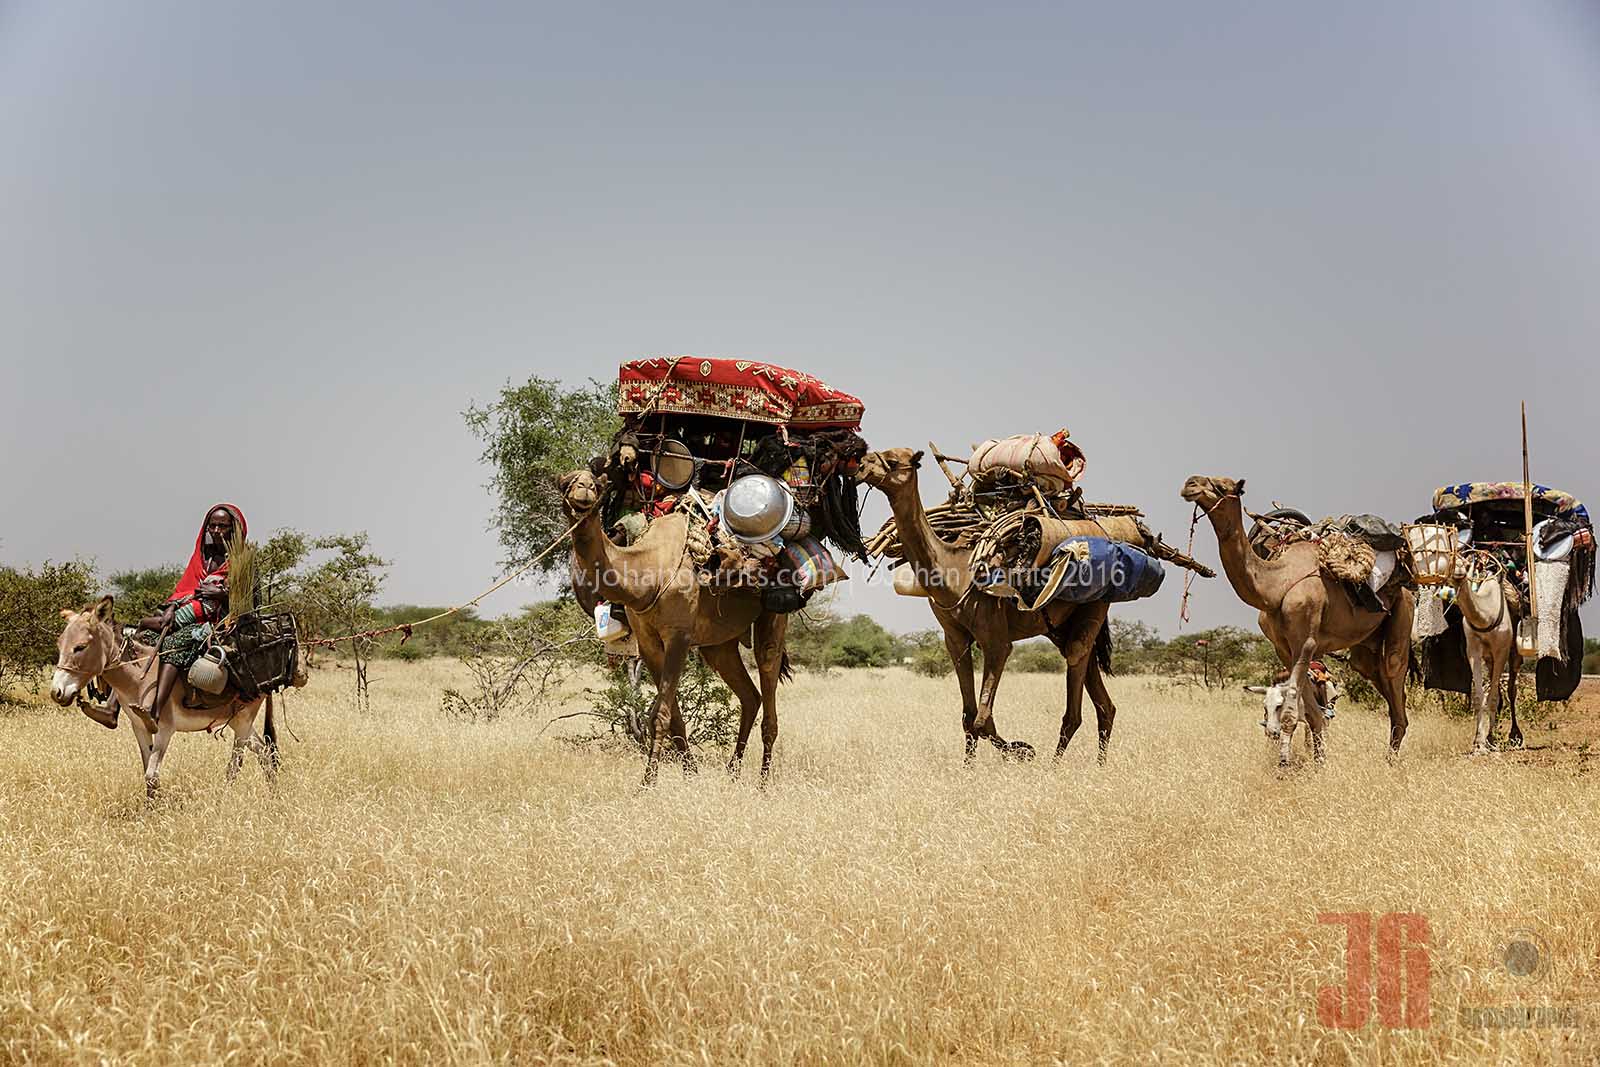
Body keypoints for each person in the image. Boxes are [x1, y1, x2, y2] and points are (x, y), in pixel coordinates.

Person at [124, 504, 247, 727]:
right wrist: (171, 608)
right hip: (189, 614)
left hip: (218, 624)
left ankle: (155, 711)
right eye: (213, 526)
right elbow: (183, 590)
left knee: (174, 643)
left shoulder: (242, 562)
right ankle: (113, 708)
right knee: (143, 639)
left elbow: (247, 603)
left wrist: (220, 594)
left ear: (234, 530)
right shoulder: (202, 558)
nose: (217, 531)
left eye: (223, 526)